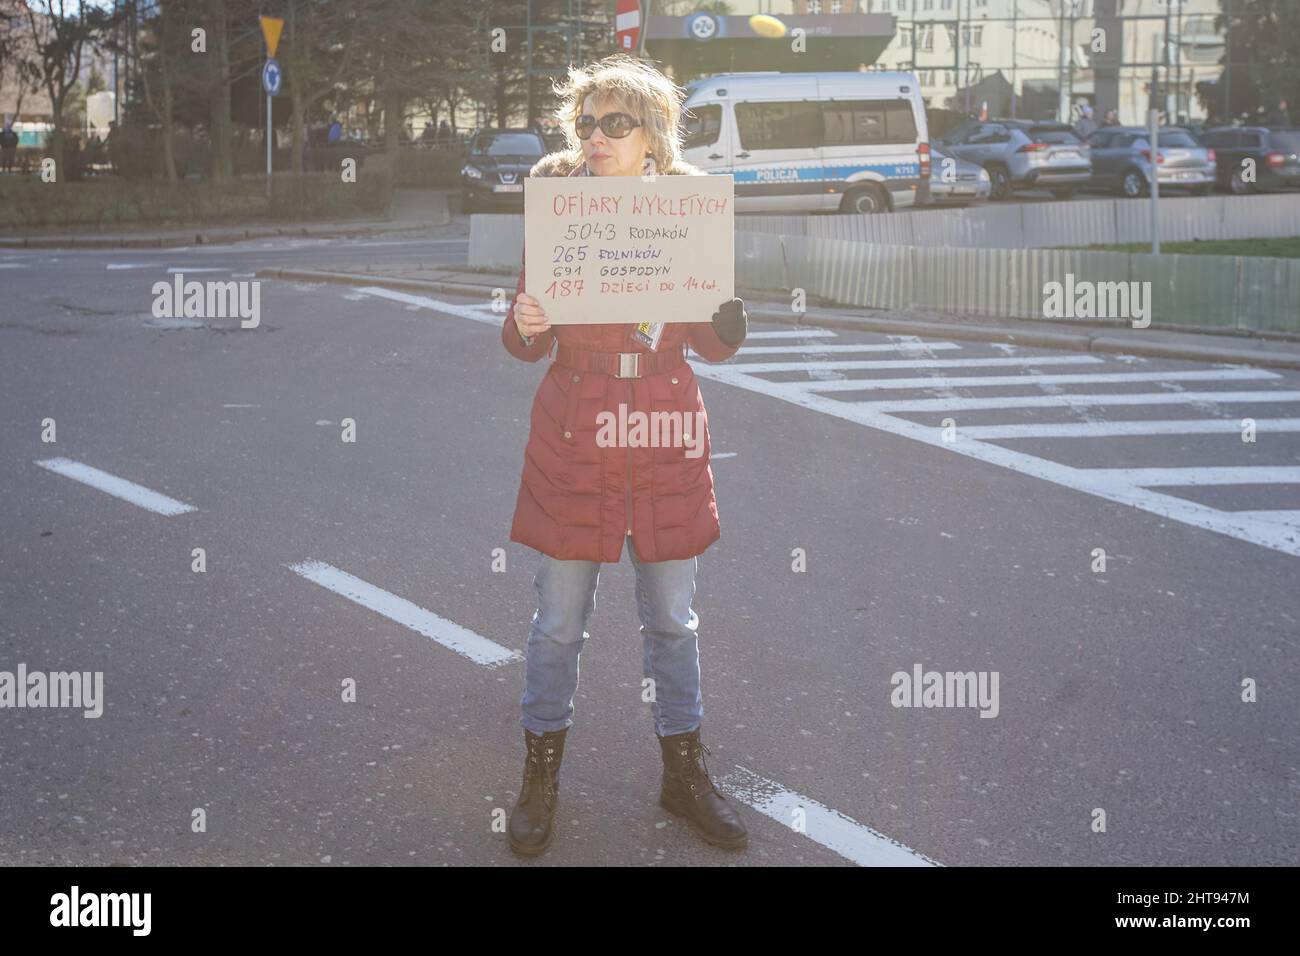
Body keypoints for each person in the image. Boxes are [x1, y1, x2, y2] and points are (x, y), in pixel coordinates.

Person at [500, 52, 750, 857]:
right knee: (557, 624)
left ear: (653, 136)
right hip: (575, 429)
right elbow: (519, 341)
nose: (597, 136)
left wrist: (728, 315)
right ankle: (540, 777)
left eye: (617, 122)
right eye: (588, 122)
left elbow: (713, 345)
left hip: (666, 430)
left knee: (673, 621)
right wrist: (529, 318)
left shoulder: (685, 214)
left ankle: (684, 776)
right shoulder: (560, 210)